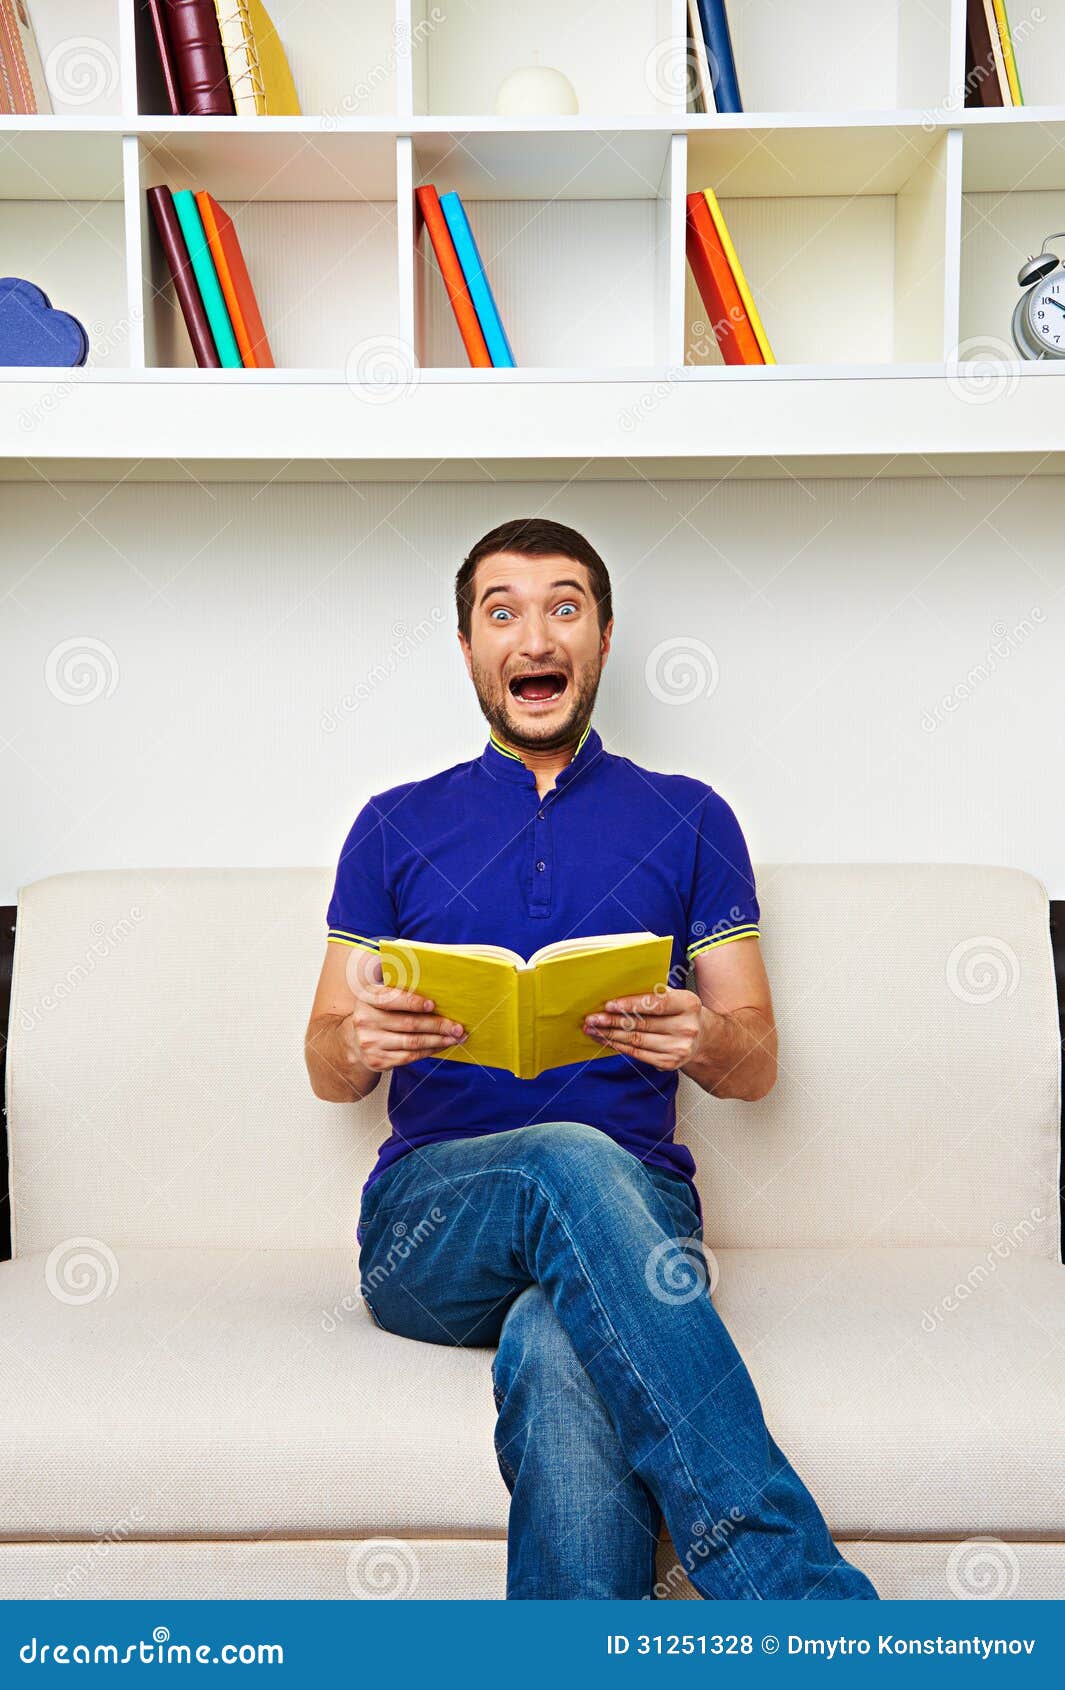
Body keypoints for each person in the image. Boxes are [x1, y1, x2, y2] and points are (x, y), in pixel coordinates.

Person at [304, 516, 878, 1602]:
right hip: (429, 1231)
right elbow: (325, 1061)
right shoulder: (390, 825)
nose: (536, 634)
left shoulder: (693, 817)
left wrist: (707, 1038)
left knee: (561, 1347)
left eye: (565, 606)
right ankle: (801, 1600)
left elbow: (755, 1063)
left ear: (604, 638)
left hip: (637, 1223)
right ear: (470, 648)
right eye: (503, 611)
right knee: (559, 1155)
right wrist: (356, 1040)